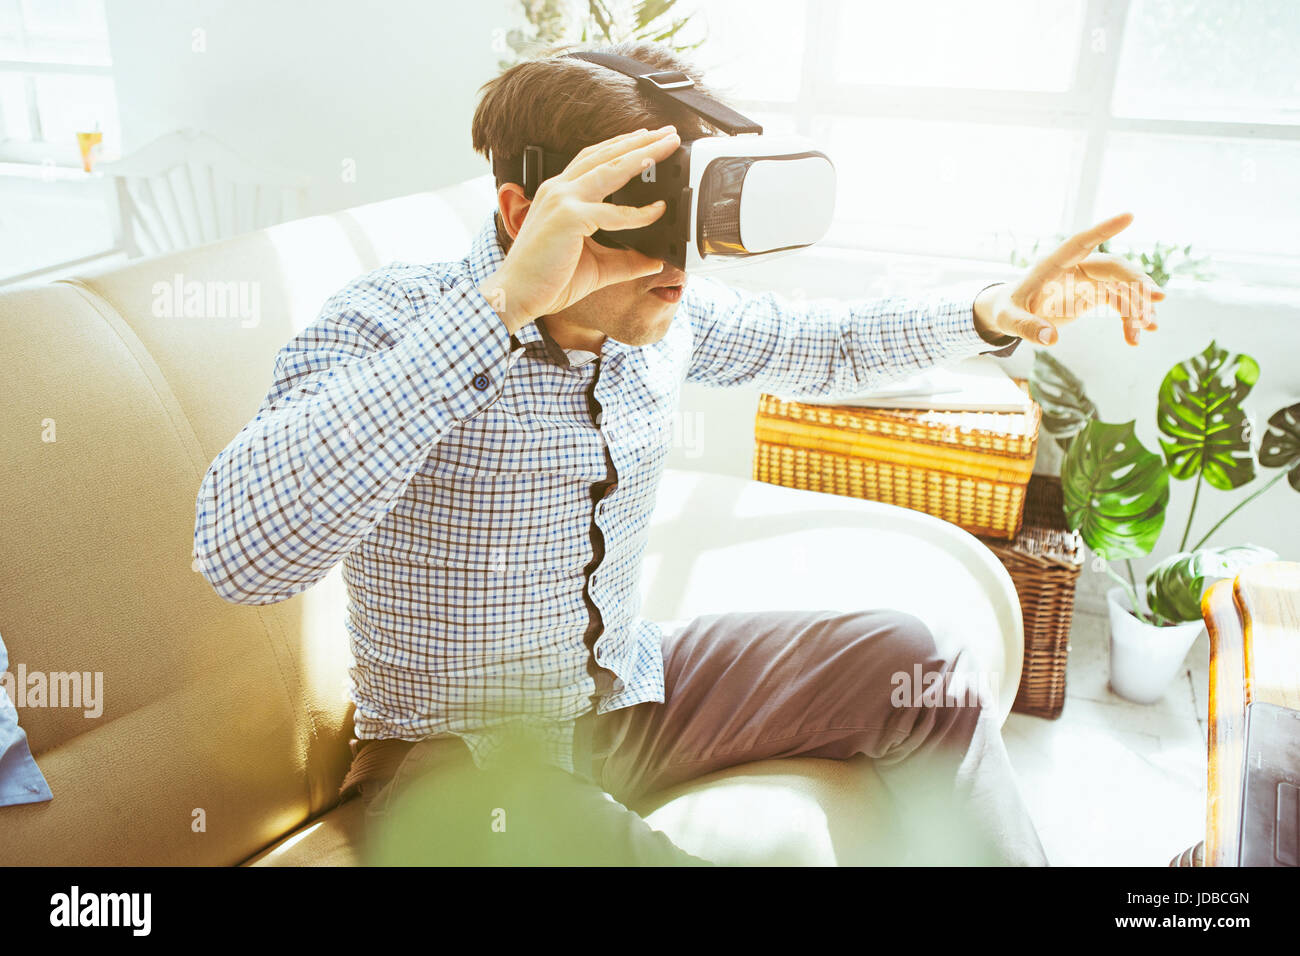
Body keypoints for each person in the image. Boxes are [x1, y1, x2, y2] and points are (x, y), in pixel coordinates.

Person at [193, 42, 1162, 866]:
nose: (680, 260)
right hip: (453, 759)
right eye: (639, 213)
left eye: (683, 210)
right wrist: (499, 311)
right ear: (524, 208)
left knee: (919, 666)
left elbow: (817, 342)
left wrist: (991, 312)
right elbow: (239, 548)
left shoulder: (658, 316)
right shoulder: (391, 319)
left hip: (628, 693)